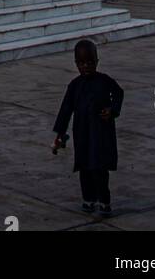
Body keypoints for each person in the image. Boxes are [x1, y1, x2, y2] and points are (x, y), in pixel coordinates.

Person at [52, 38, 124, 215]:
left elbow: (118, 93)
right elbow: (66, 109)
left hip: (101, 133)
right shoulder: (75, 85)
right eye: (82, 63)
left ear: (97, 61)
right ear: (76, 63)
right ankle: (88, 199)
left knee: (100, 168)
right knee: (84, 167)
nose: (86, 66)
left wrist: (112, 110)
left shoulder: (104, 81)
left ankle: (104, 201)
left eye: (90, 62)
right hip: (82, 132)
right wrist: (60, 133)